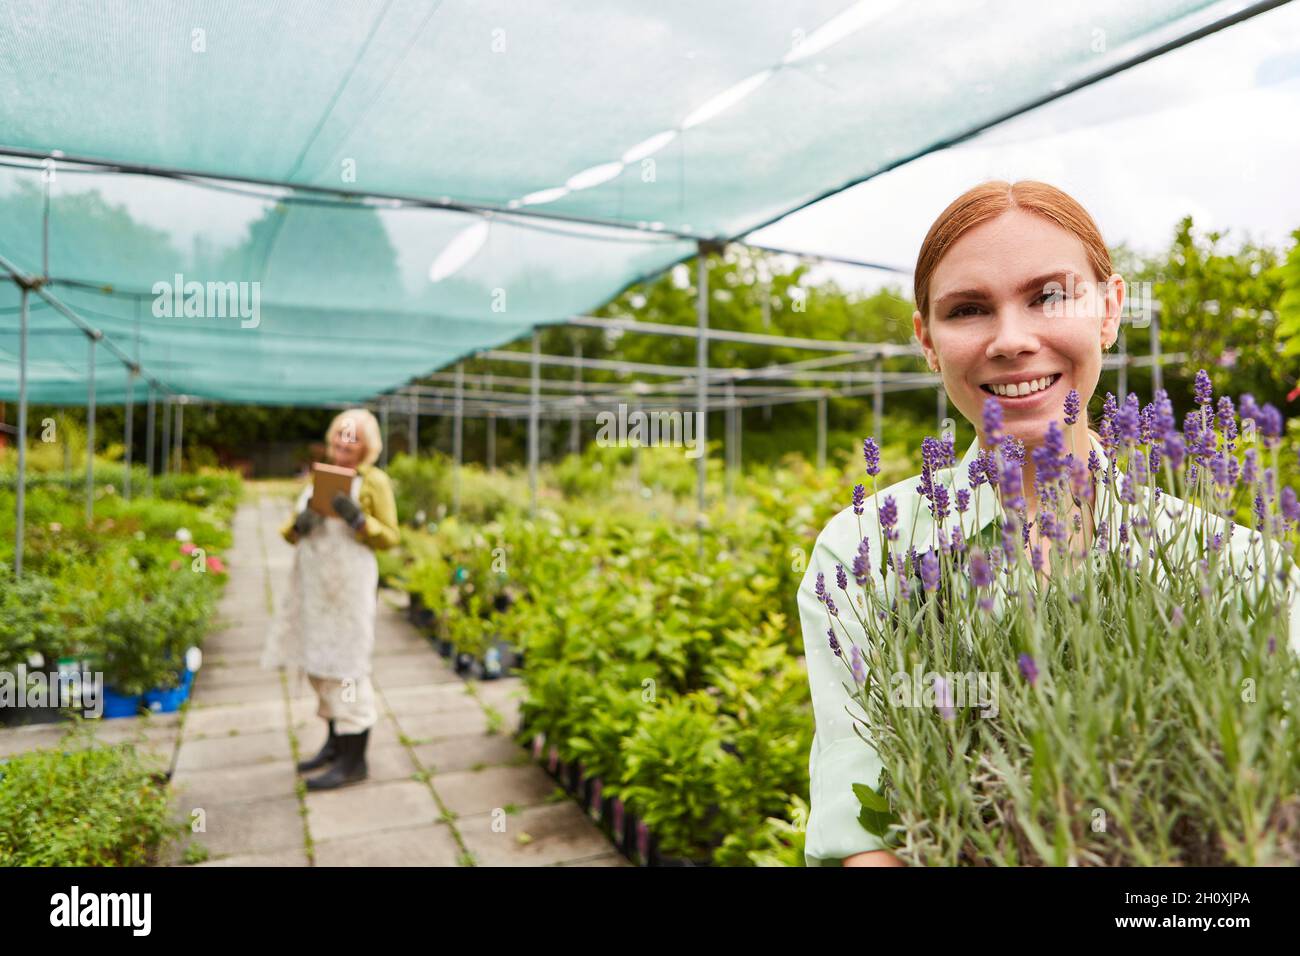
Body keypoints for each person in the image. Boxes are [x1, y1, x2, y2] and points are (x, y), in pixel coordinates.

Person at [798, 180, 1300, 866]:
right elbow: (863, 824)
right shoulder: (865, 549)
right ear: (926, 339)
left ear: (1110, 309)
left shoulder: (1243, 567)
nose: (1011, 340)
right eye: (969, 309)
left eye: (1049, 296)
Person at [263, 408, 400, 791]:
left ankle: (354, 761)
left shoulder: (374, 482)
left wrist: (359, 520)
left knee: (348, 666)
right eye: (340, 434)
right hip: (313, 589)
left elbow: (390, 536)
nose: (343, 442)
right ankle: (334, 744)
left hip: (350, 587)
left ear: (367, 444)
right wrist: (300, 525)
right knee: (318, 664)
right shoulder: (318, 476)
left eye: (353, 436)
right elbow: (289, 534)